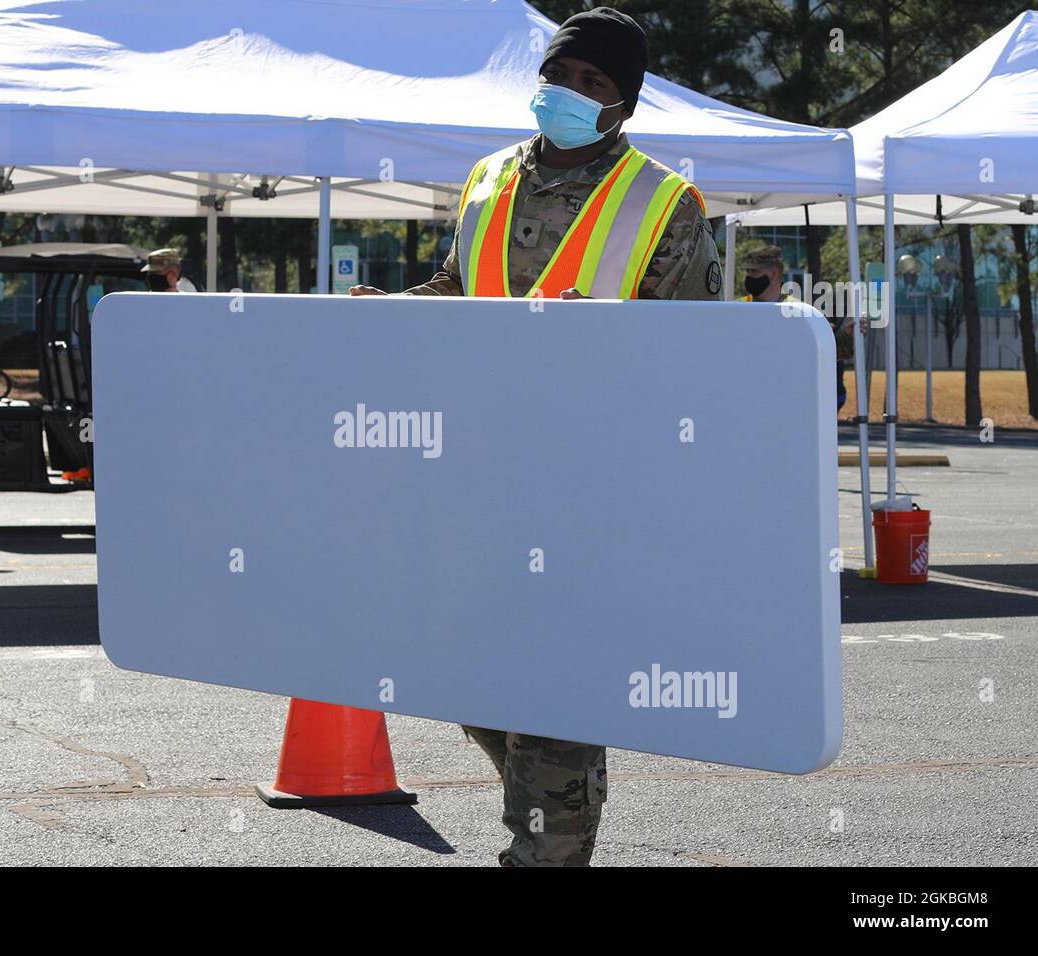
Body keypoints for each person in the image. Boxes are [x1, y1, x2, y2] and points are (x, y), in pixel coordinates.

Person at [351, 7, 722, 866]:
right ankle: (550, 797)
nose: (570, 93)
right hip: (475, 475)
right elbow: (459, 285)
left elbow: (701, 349)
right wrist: (390, 313)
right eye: (562, 76)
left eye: (595, 85)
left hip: (587, 486)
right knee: (468, 673)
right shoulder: (487, 178)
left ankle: (546, 842)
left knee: (553, 683)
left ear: (622, 108)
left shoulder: (667, 202)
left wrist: (605, 333)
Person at [739, 245, 851, 410]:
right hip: (748, 397)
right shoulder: (737, 308)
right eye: (747, 272)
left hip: (787, 401)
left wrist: (845, 337)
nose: (749, 277)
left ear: (774, 273)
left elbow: (821, 357)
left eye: (754, 272)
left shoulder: (801, 313)